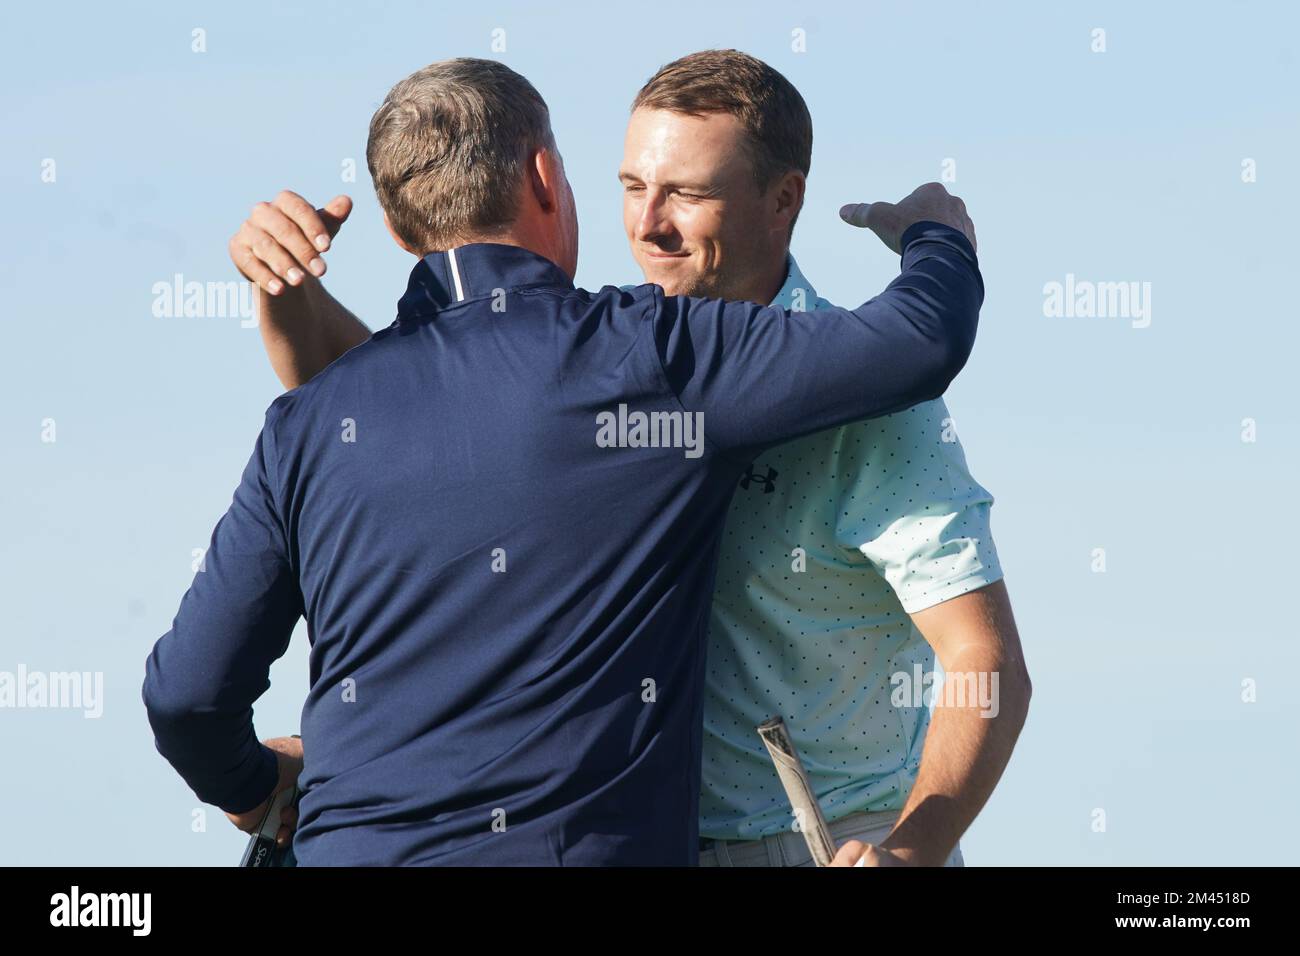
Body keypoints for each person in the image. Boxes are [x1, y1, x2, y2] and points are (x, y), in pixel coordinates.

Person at [144, 56, 983, 866]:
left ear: (398, 227)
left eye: (682, 191)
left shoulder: (309, 422)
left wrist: (258, 790)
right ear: (547, 177)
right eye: (626, 186)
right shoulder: (647, 357)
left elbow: (186, 699)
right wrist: (936, 237)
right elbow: (917, 340)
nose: (648, 219)